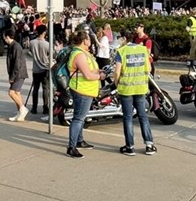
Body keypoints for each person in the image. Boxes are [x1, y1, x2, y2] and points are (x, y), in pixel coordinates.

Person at [112, 30, 156, 157]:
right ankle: (149, 145)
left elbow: (117, 72)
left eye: (120, 38)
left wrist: (116, 82)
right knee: (143, 116)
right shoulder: (142, 50)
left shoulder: (122, 51)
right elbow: (148, 68)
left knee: (128, 117)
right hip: (141, 88)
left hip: (126, 89)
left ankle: (130, 147)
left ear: (125, 39)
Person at [65, 29, 104, 159]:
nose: (90, 40)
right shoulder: (79, 55)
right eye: (88, 38)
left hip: (85, 89)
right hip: (82, 90)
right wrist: (100, 76)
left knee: (80, 117)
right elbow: (87, 75)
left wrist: (99, 71)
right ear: (84, 41)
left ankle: (79, 141)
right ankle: (72, 147)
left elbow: (90, 69)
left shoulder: (84, 53)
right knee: (78, 118)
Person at [3, 29, 29, 122]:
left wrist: (12, 77)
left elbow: (17, 63)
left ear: (7, 37)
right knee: (17, 93)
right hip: (18, 73)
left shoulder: (16, 47)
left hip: (18, 73)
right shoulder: (13, 46)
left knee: (11, 92)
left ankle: (22, 108)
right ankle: (20, 112)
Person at [27, 25, 52, 118]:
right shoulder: (47, 44)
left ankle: (34, 107)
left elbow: (29, 52)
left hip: (36, 68)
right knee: (45, 89)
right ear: (44, 32)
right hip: (45, 68)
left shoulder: (32, 43)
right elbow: (52, 55)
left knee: (35, 88)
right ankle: (45, 107)